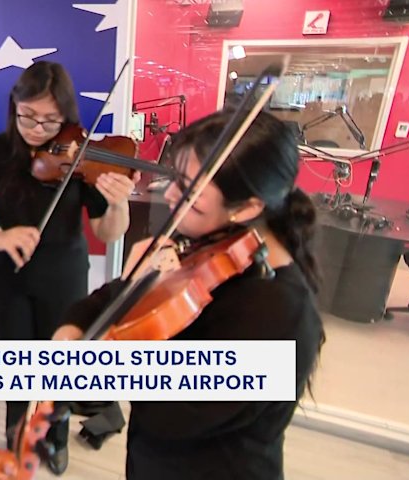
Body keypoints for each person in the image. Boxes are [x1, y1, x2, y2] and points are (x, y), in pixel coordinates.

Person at [53, 110, 325, 480]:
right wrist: (74, 327)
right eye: (175, 179)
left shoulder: (281, 315)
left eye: (190, 192)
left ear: (248, 207)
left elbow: (166, 416)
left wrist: (126, 305)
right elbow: (101, 301)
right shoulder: (207, 243)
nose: (170, 195)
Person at [0, 61, 137, 475]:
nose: (37, 128)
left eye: (50, 120)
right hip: (6, 275)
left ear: (67, 117)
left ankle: (55, 432)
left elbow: (108, 232)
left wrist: (119, 202)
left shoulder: (83, 154)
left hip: (65, 275)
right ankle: (19, 433)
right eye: (27, 116)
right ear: (14, 107)